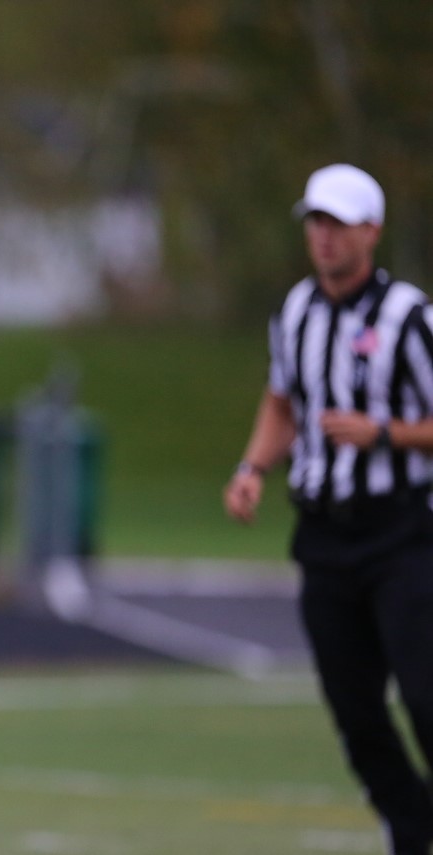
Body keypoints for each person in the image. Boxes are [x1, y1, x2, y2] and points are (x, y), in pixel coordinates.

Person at [224, 163, 433, 855]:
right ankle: (410, 828)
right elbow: (282, 400)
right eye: (314, 222)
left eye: (337, 224)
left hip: (402, 532)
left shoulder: (409, 316)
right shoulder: (295, 312)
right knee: (354, 713)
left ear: (370, 231)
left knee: (425, 697)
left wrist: (385, 433)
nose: (322, 237)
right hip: (323, 539)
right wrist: (254, 466)